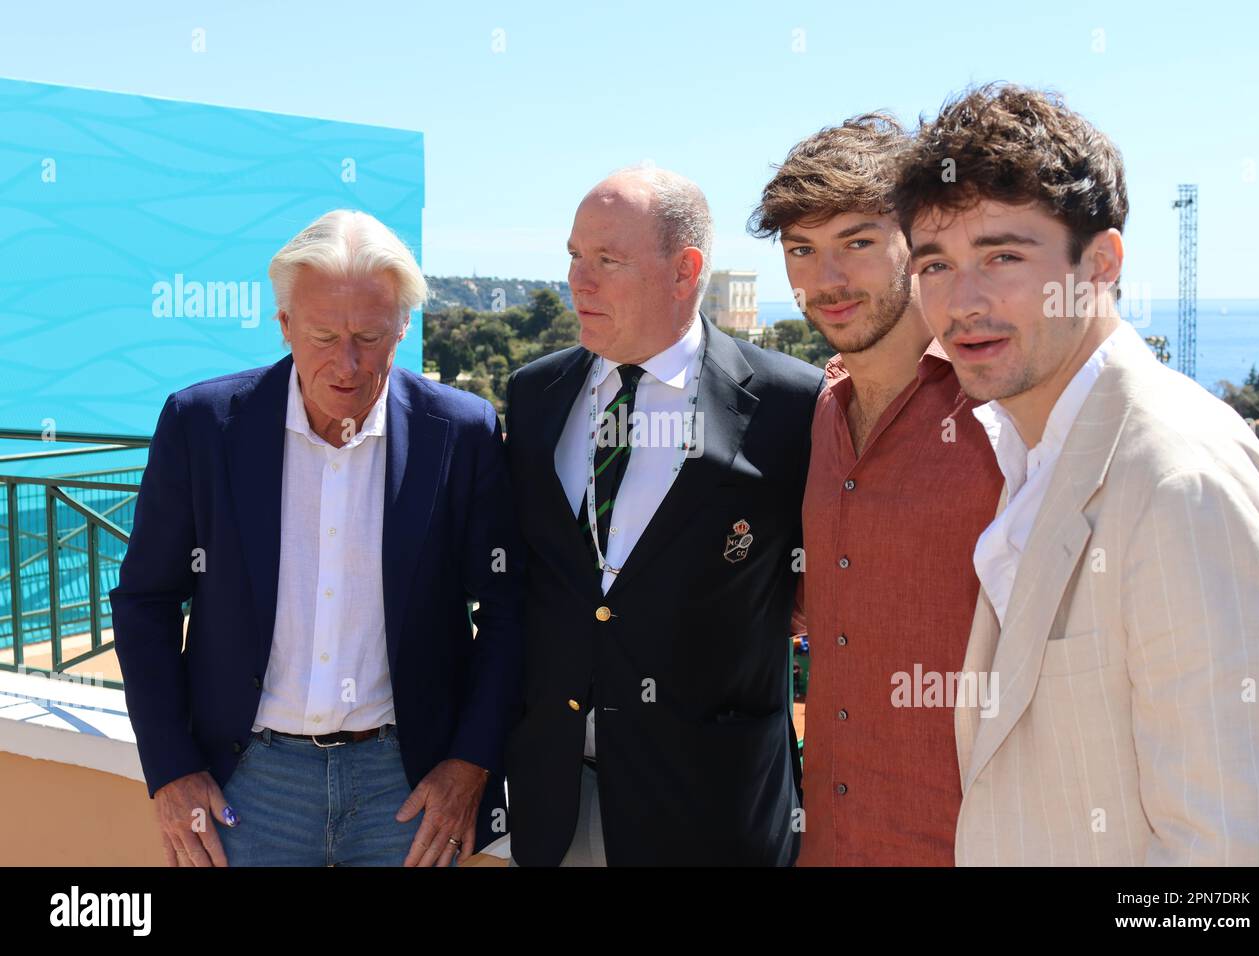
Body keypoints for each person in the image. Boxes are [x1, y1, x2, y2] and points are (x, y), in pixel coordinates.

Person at [895, 84, 1259, 864]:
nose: (962, 301)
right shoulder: (1037, 450)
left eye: (1003, 256)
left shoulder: (1180, 482)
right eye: (936, 264)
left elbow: (1228, 861)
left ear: (1101, 263)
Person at [110, 210, 524, 866]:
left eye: (369, 335)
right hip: (246, 789)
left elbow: (509, 609)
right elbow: (144, 604)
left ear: (402, 328)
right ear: (284, 328)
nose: (348, 363)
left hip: (407, 787)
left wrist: (469, 764)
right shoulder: (201, 425)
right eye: (324, 336)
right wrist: (169, 770)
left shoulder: (463, 431)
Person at [504, 166, 823, 865]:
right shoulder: (534, 394)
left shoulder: (793, 404)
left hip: (713, 812)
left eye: (607, 261)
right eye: (573, 257)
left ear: (685, 272)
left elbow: (827, 575)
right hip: (555, 804)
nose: (578, 282)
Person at [748, 113, 1002, 866]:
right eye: (802, 250)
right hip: (831, 837)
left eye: (857, 242)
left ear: (917, 242)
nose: (826, 280)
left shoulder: (1000, 412)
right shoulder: (816, 415)